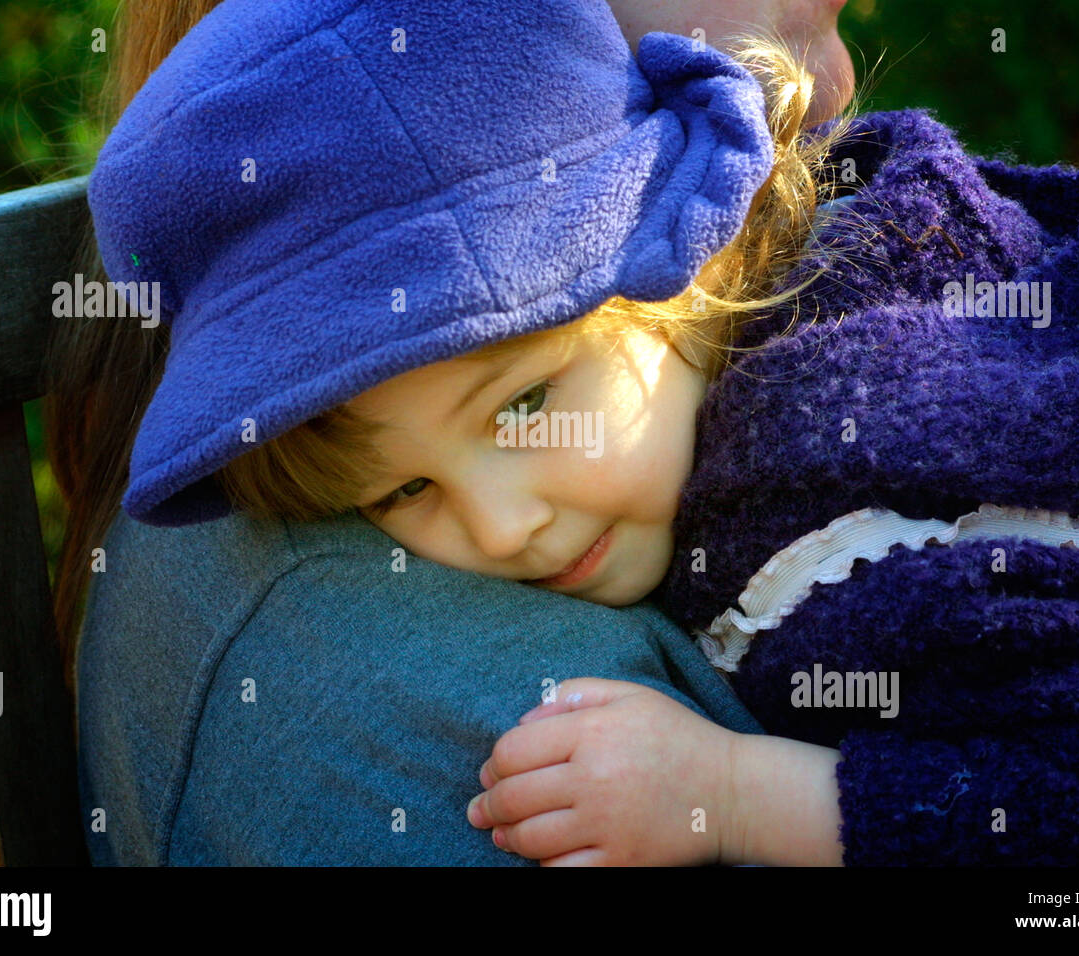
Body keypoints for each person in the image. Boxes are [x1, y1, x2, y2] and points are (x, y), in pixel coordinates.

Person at [58, 0, 853, 865]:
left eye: (524, 406)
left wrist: (740, 793)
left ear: (700, 253)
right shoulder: (429, 702)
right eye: (404, 491)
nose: (503, 529)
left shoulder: (872, 441)